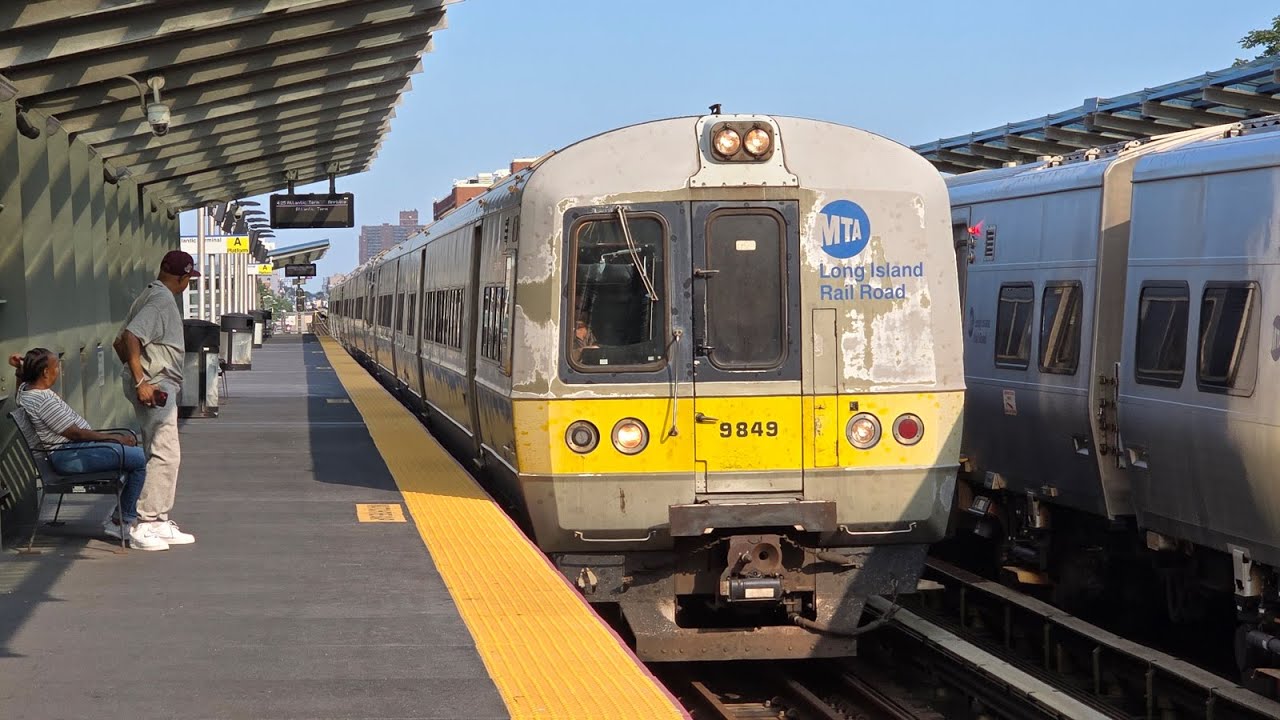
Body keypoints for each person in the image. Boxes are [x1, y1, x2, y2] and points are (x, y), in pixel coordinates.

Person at [8, 350, 167, 551]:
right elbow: (76, 434)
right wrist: (114, 438)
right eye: (56, 367)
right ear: (45, 372)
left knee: (130, 458)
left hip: (73, 450)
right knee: (137, 458)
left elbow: (19, 391)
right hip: (69, 455)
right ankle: (120, 521)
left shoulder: (27, 392)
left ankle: (122, 516)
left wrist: (19, 369)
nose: (58, 371)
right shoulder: (42, 401)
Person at [111, 249, 198, 547]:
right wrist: (141, 380)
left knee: (157, 451)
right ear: (183, 277)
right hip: (156, 385)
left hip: (153, 384)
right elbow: (132, 336)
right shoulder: (161, 301)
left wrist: (133, 371)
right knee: (165, 453)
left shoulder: (147, 295)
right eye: (189, 278)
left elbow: (118, 342)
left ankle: (153, 520)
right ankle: (145, 523)